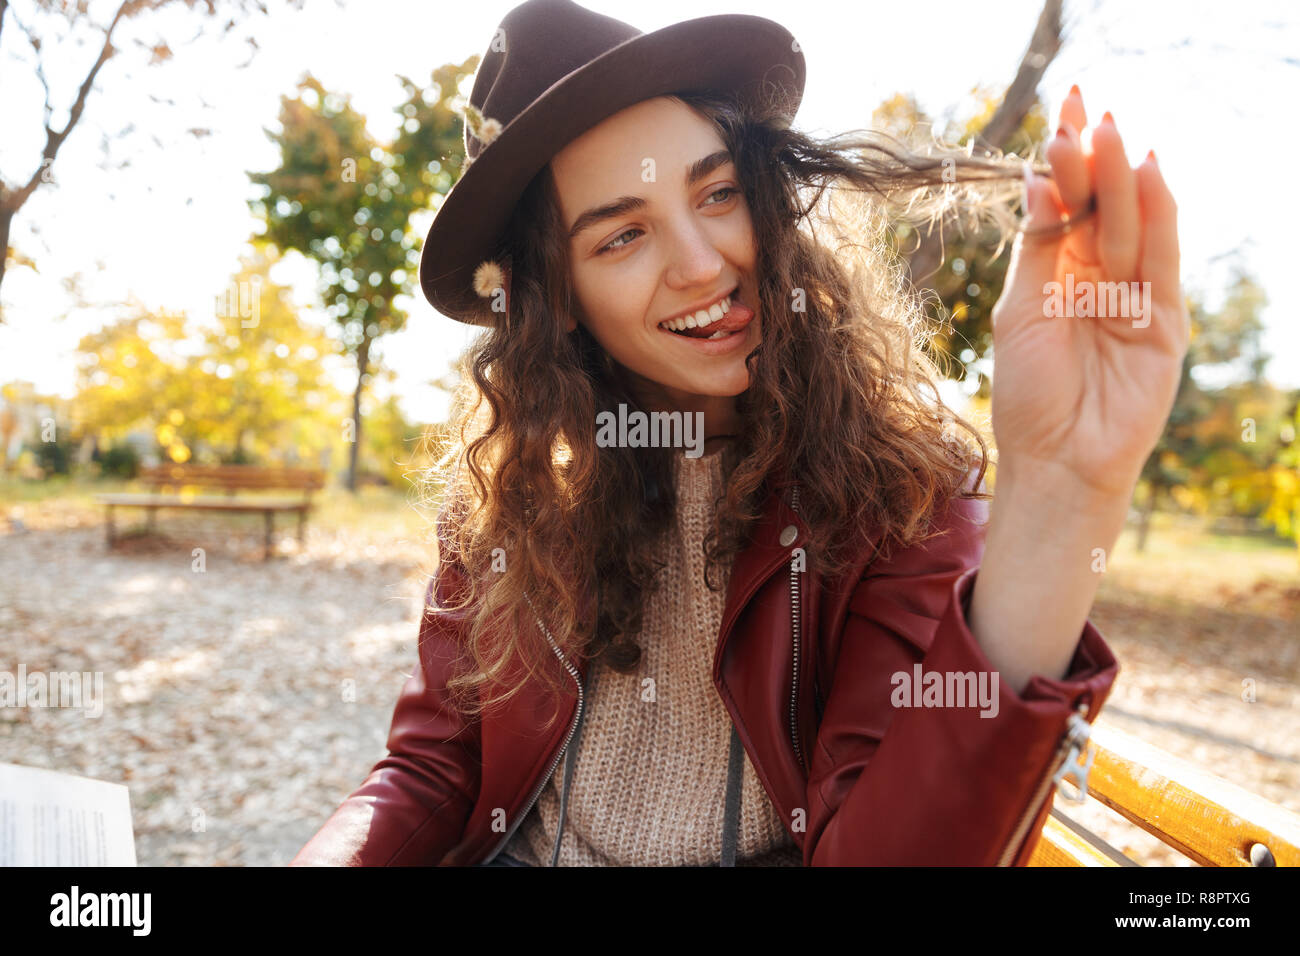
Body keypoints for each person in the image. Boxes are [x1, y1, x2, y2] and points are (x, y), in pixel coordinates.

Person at [291, 0, 1187, 867]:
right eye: (621, 237)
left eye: (717, 193)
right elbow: (434, 766)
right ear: (555, 298)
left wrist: (1065, 498)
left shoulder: (900, 493)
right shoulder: (515, 493)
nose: (702, 262)